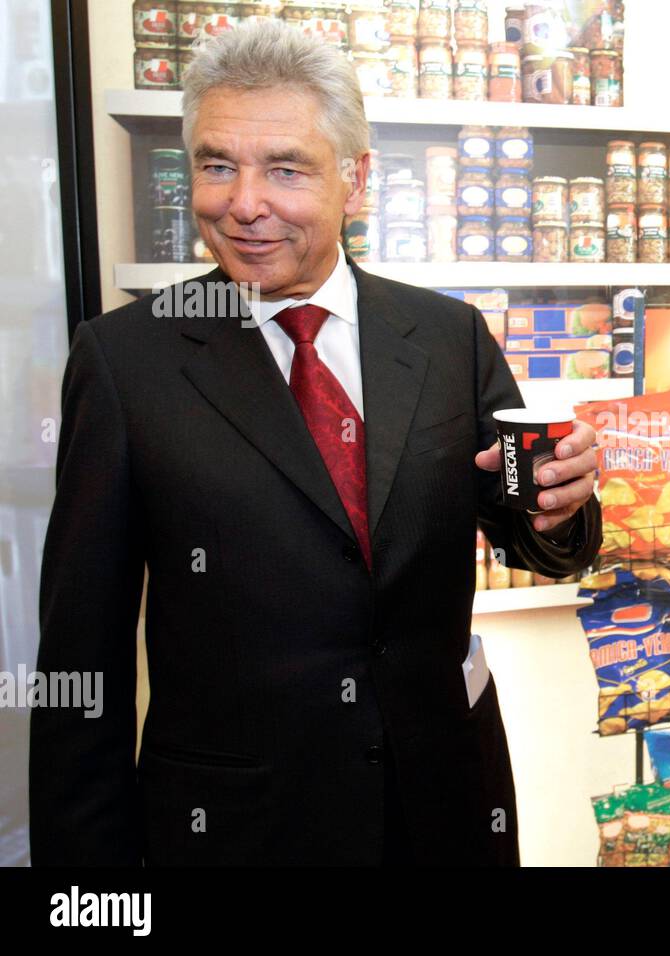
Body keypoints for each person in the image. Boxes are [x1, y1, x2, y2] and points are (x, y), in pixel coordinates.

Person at [29, 20, 601, 865]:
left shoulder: (448, 337)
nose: (244, 202)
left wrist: (560, 510)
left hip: (444, 806)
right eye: (217, 165)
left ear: (356, 180)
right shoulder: (126, 363)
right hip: (238, 828)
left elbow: (533, 536)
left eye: (285, 169)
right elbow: (82, 659)